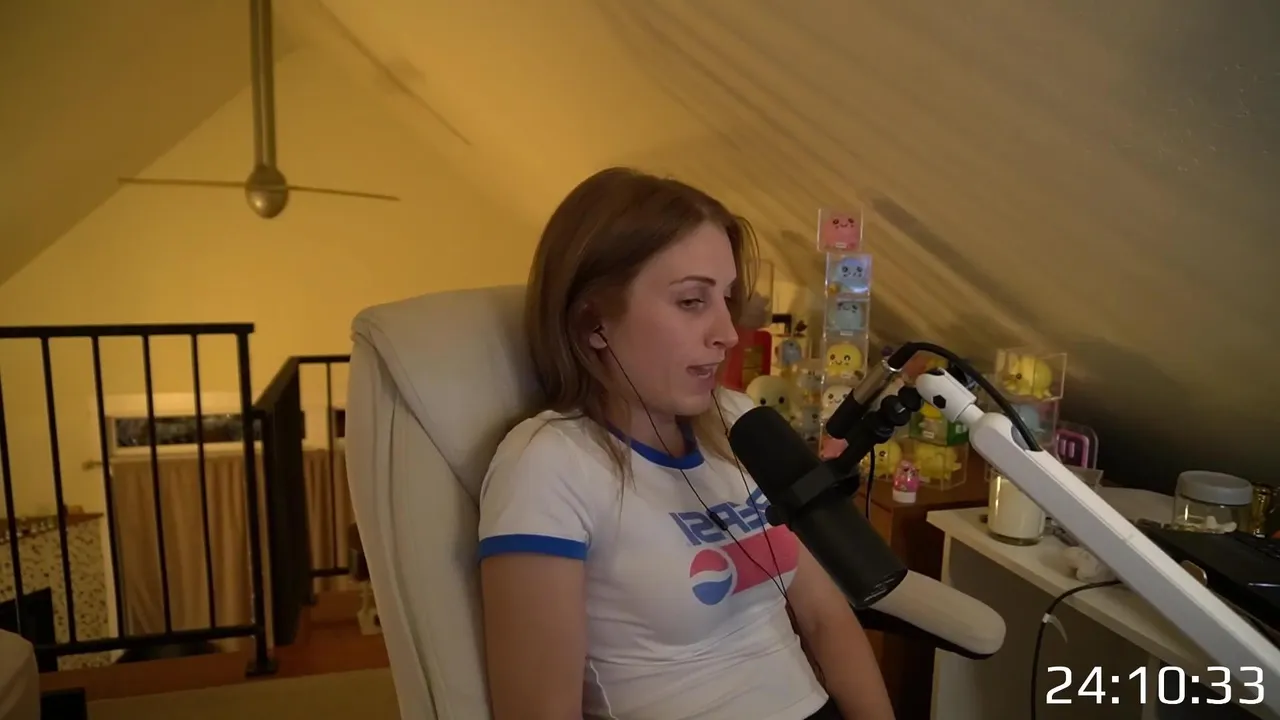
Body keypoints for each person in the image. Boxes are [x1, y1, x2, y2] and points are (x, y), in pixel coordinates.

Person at [478, 167, 895, 720]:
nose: (727, 333)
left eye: (726, 298)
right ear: (593, 323)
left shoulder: (740, 422)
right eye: (692, 301)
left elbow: (826, 618)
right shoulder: (548, 464)